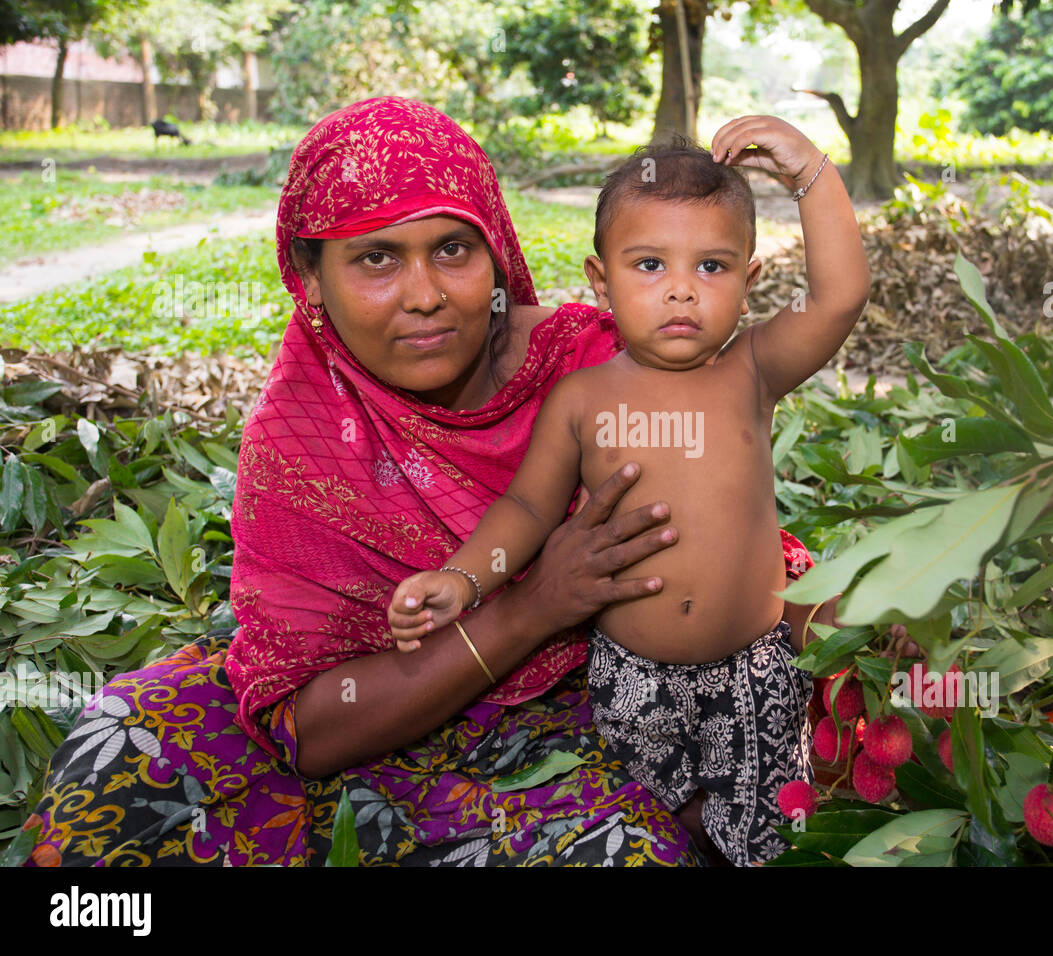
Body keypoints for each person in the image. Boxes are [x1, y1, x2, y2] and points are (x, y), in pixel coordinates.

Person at [22, 96, 834, 867]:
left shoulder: (590, 363)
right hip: (381, 694)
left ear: (496, 251)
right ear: (311, 279)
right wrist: (531, 605)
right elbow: (312, 729)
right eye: (377, 258)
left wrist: (856, 622)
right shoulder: (301, 434)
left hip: (585, 704)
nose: (425, 296)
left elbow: (727, 544)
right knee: (121, 742)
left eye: (453, 249)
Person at [387, 117, 871, 865]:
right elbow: (527, 509)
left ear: (749, 279)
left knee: (773, 833)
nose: (681, 289)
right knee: (661, 826)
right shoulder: (581, 399)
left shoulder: (751, 372)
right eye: (649, 264)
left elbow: (840, 298)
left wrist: (809, 170)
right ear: (599, 278)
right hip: (631, 678)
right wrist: (463, 578)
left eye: (712, 267)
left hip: (753, 667)